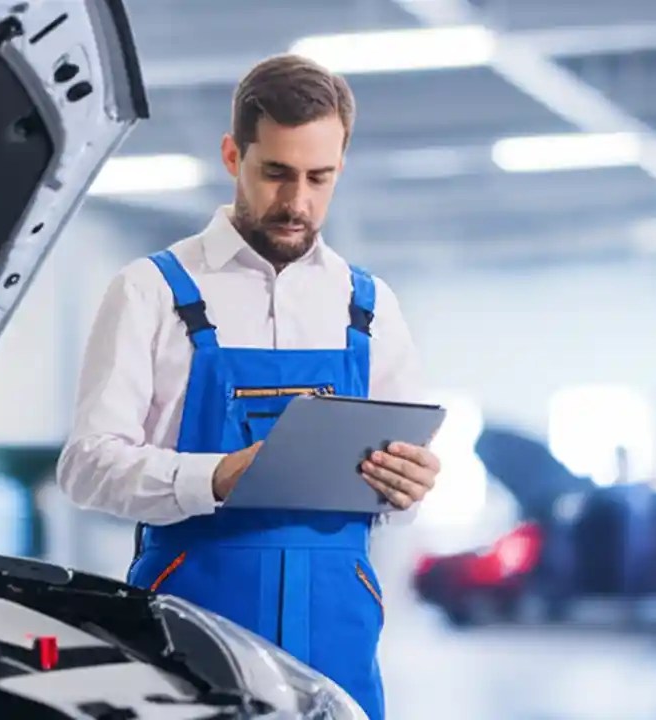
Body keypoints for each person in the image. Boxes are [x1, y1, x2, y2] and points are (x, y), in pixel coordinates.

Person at [56, 54, 440, 720]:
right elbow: (85, 468)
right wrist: (219, 476)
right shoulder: (152, 292)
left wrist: (409, 487)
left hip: (338, 624)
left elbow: (397, 494)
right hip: (193, 622)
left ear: (341, 166)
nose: (297, 202)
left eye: (320, 178)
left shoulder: (369, 306)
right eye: (276, 173)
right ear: (234, 155)